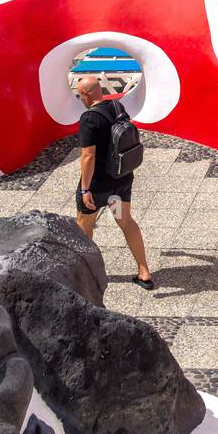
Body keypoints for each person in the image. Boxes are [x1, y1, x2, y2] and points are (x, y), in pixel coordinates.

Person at [74, 75, 153, 289]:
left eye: (79, 94)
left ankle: (86, 276)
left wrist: (85, 189)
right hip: (120, 180)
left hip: (98, 186)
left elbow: (88, 156)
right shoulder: (117, 106)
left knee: (84, 227)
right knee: (125, 221)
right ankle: (144, 271)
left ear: (86, 95)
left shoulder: (89, 119)